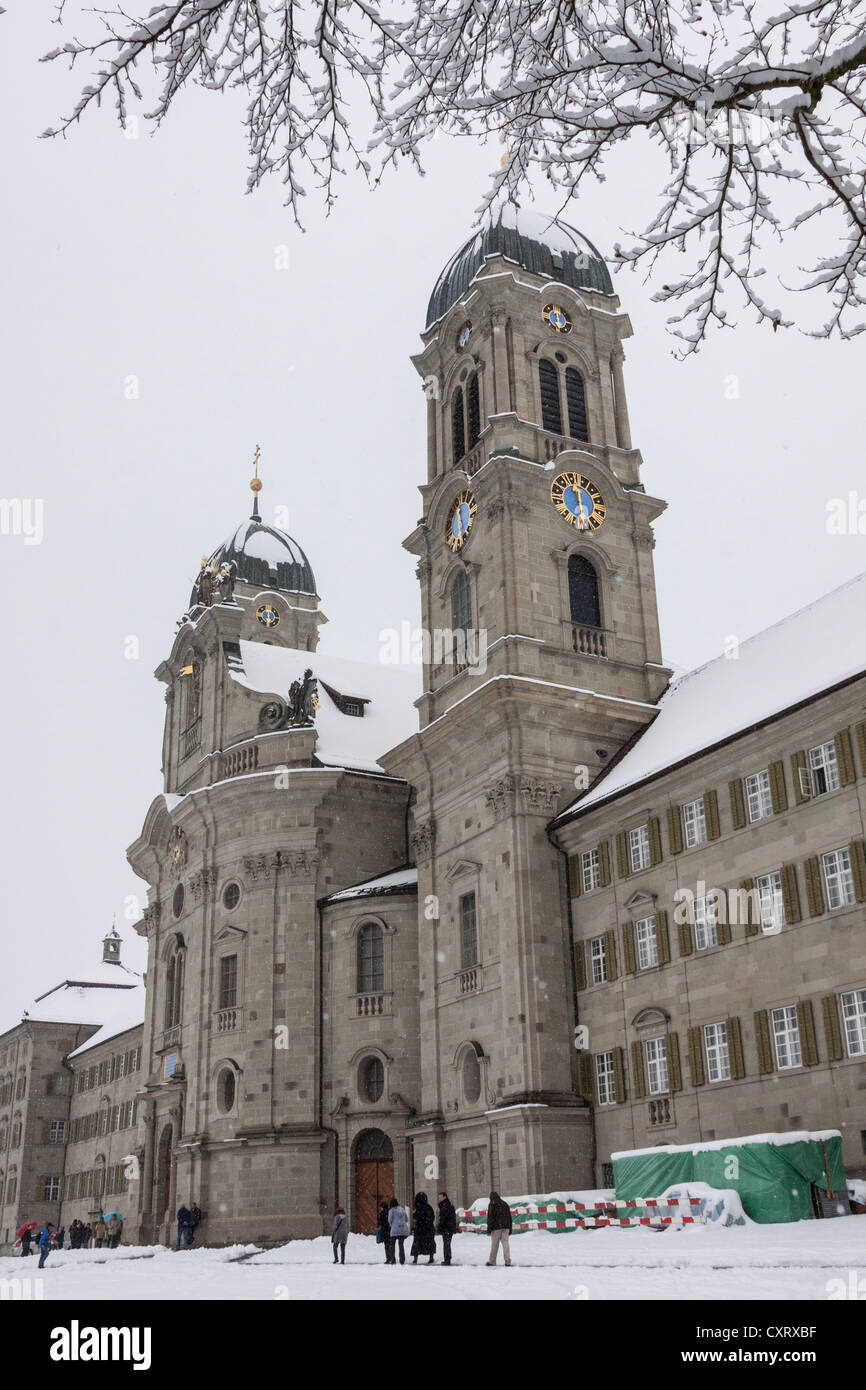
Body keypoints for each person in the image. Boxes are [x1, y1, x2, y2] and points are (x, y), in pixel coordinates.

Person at [486, 1191, 513, 1267]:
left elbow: (490, 1217)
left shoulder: (492, 1204)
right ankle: (508, 1261)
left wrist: (489, 1229)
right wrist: (510, 1228)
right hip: (506, 1227)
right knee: (505, 1244)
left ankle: (492, 1261)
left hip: (496, 1228)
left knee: (494, 1245)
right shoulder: (504, 1204)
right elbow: (509, 1217)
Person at [411, 1192, 436, 1265]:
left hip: (419, 1229)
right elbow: (432, 1217)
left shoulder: (417, 1208)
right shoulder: (429, 1207)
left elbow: (415, 1218)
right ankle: (431, 1257)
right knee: (430, 1243)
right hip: (428, 1229)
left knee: (417, 1243)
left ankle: (415, 1258)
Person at [436, 1192, 458, 1266]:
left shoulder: (445, 1206)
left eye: (440, 1197)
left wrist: (439, 1227)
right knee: (447, 1244)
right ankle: (447, 1259)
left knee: (446, 1244)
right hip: (448, 1228)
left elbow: (443, 1218)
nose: (439, 1199)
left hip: (447, 1228)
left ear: (444, 1197)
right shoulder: (447, 1205)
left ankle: (447, 1259)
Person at [387, 1196, 409, 1265]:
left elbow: (389, 1220)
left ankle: (392, 1259)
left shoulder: (391, 1210)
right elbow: (406, 1219)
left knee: (392, 1245)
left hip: (394, 1230)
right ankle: (402, 1260)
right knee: (401, 1245)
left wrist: (392, 1225)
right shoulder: (402, 1209)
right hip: (402, 1230)